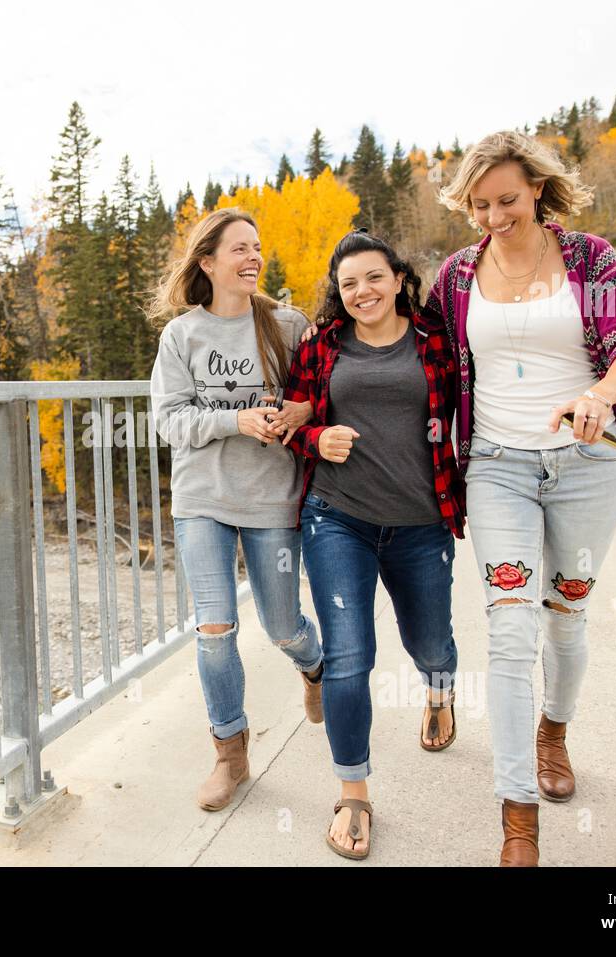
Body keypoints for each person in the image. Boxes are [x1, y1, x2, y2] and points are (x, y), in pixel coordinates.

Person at [428, 130, 616, 866]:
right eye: (478, 205)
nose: (494, 216)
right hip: (498, 464)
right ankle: (518, 821)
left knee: (566, 617)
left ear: (537, 188)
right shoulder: (457, 275)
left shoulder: (589, 257)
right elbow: (429, 355)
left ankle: (554, 729)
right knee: (508, 630)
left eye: (506, 199)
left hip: (588, 462)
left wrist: (601, 393)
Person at [285, 229, 466, 859]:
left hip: (421, 522)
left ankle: (440, 691)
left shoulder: (437, 342)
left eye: (373, 278)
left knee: (429, 640)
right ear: (338, 294)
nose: (362, 292)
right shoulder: (321, 347)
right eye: (348, 284)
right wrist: (316, 440)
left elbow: (473, 410)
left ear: (397, 278)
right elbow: (291, 417)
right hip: (338, 517)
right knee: (349, 654)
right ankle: (353, 791)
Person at [149, 207, 321, 813]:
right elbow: (169, 420)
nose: (253, 258)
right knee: (214, 629)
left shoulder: (288, 325)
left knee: (282, 627)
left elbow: (318, 396)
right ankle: (230, 752)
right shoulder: (182, 336)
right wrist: (235, 419)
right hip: (203, 501)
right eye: (239, 249)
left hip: (272, 497)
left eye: (257, 247)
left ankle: (315, 666)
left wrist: (293, 415)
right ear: (208, 262)